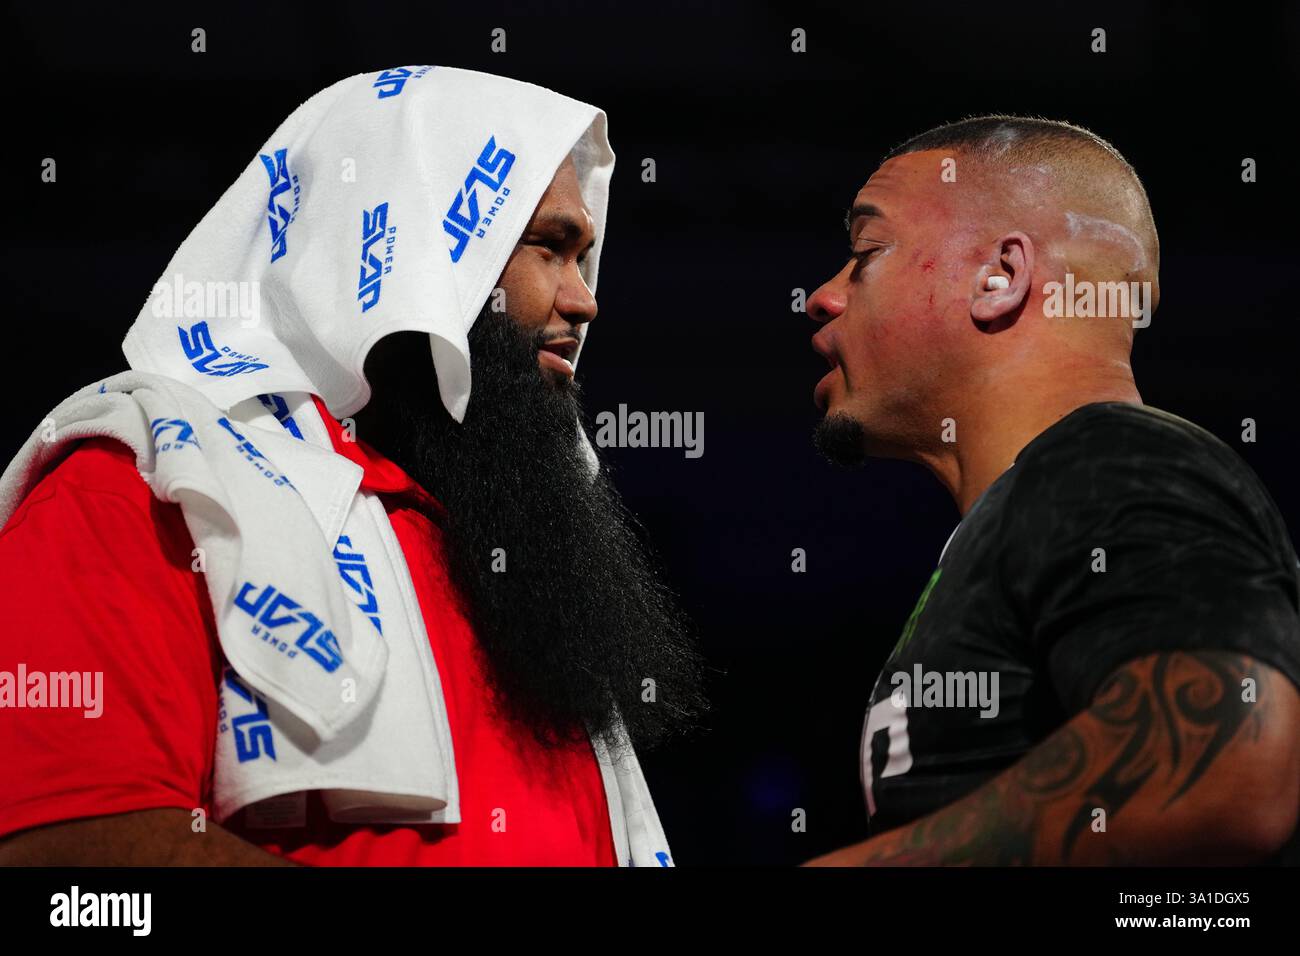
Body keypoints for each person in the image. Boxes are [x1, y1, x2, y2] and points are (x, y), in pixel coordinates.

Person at [0, 67, 706, 866]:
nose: (585, 301)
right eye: (551, 248)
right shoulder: (143, 489)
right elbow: (62, 858)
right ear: (421, 252)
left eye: (585, 257)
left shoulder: (522, 568)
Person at [801, 116, 1300, 865]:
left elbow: (1231, 768)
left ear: (1000, 277)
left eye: (866, 254)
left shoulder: (1112, 459)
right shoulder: (1030, 508)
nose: (821, 296)